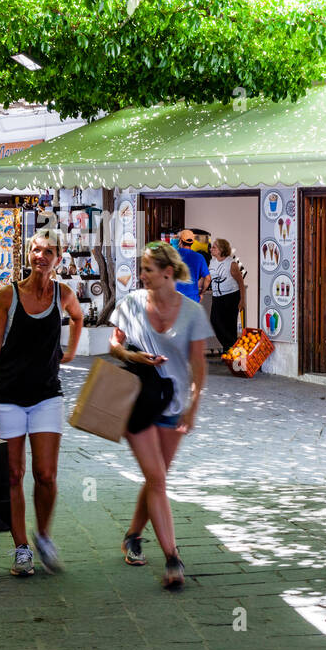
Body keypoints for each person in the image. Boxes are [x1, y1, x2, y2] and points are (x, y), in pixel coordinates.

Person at [0, 230, 83, 576]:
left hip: (48, 394)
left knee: (46, 474)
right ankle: (21, 549)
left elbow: (78, 317)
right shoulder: (9, 295)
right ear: (29, 255)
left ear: (58, 258)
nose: (42, 256)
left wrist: (71, 350)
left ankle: (44, 536)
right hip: (6, 398)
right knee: (14, 474)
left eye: (49, 251)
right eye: (37, 250)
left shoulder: (63, 294)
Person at [109, 241, 211, 589]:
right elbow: (114, 343)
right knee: (157, 477)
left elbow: (198, 365)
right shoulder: (132, 303)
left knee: (157, 478)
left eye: (148, 269)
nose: (142, 275)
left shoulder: (193, 312)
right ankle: (173, 558)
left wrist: (193, 407)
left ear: (168, 273)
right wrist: (133, 357)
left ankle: (133, 534)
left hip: (174, 403)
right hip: (137, 401)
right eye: (142, 269)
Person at [208, 238, 246, 353]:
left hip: (231, 297)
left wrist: (242, 300)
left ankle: (229, 349)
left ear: (221, 250)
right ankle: (231, 346)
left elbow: (241, 283)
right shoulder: (212, 262)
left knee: (229, 325)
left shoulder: (231, 264)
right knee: (214, 321)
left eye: (214, 247)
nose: (211, 249)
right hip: (217, 297)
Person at [172, 229, 210, 303]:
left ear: (180, 241)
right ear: (192, 242)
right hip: (193, 300)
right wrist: (202, 293)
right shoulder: (199, 257)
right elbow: (208, 279)